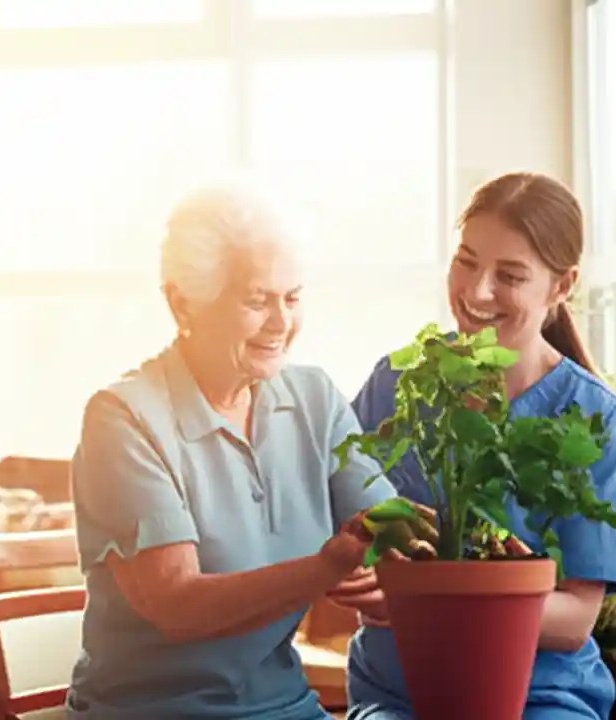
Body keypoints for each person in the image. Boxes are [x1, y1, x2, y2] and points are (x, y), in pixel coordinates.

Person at [66, 180, 398, 719]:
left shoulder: (315, 398)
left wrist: (392, 581)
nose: (281, 323)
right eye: (256, 300)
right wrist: (326, 567)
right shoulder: (123, 418)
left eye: (292, 298)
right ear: (183, 303)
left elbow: (388, 530)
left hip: (286, 705)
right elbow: (177, 605)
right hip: (154, 710)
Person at [337, 172, 616, 720]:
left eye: (511, 275)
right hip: (399, 697)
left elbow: (572, 623)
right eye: (467, 261)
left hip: (539, 700)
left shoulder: (594, 417)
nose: (476, 292)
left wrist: (422, 602)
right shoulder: (397, 385)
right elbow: (340, 540)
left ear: (561, 286)